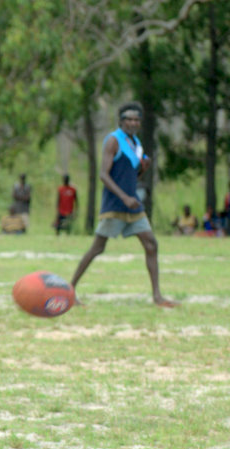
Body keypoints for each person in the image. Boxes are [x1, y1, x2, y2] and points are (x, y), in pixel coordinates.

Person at [70, 102, 177, 308]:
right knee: (97, 248)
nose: (133, 122)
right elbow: (104, 175)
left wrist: (143, 169)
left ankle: (157, 297)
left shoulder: (136, 144)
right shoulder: (113, 140)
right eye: (129, 119)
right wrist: (124, 197)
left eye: (137, 119)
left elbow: (130, 176)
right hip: (115, 205)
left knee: (151, 244)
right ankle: (70, 289)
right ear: (121, 121)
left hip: (133, 205)